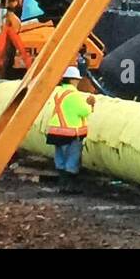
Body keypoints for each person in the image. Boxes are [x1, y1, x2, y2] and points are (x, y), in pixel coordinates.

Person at [45, 65, 96, 193]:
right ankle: (69, 186)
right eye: (77, 80)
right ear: (73, 80)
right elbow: (83, 111)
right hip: (71, 132)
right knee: (72, 158)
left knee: (60, 158)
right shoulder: (74, 95)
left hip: (55, 132)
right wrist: (91, 105)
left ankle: (62, 184)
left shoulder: (58, 92)